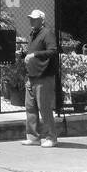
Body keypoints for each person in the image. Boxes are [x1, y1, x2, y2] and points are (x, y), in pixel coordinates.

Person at [18, 8, 59, 147]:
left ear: (42, 20)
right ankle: (33, 137)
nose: (31, 20)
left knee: (44, 108)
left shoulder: (47, 33)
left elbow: (53, 51)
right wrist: (25, 54)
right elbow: (34, 52)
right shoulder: (33, 34)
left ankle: (51, 138)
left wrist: (35, 55)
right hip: (31, 77)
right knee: (30, 108)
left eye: (34, 19)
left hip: (44, 77)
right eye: (30, 18)